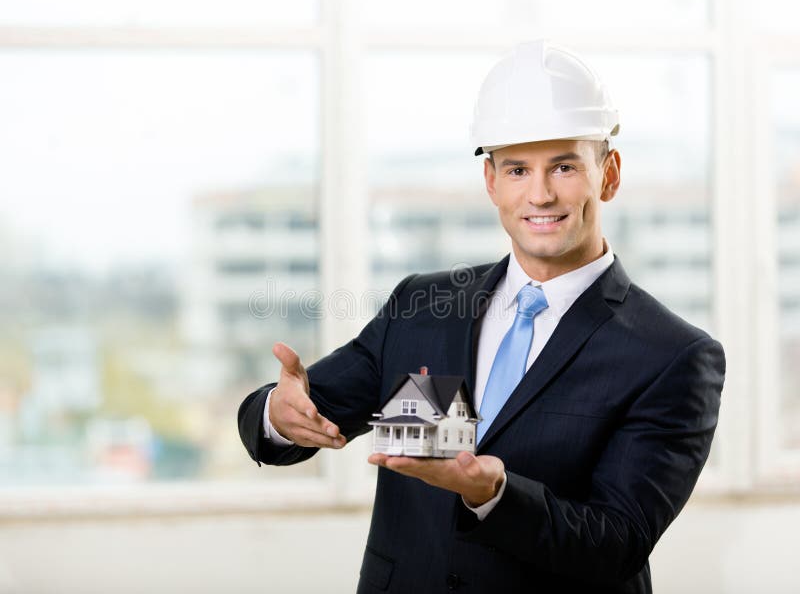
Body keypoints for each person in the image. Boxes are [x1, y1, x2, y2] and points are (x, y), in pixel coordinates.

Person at [237, 40, 725, 593]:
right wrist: (279, 413)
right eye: (517, 169)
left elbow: (617, 542)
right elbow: (307, 417)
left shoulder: (672, 357)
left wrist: (492, 493)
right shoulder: (422, 308)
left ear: (608, 175)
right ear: (492, 182)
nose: (539, 194)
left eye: (563, 166)